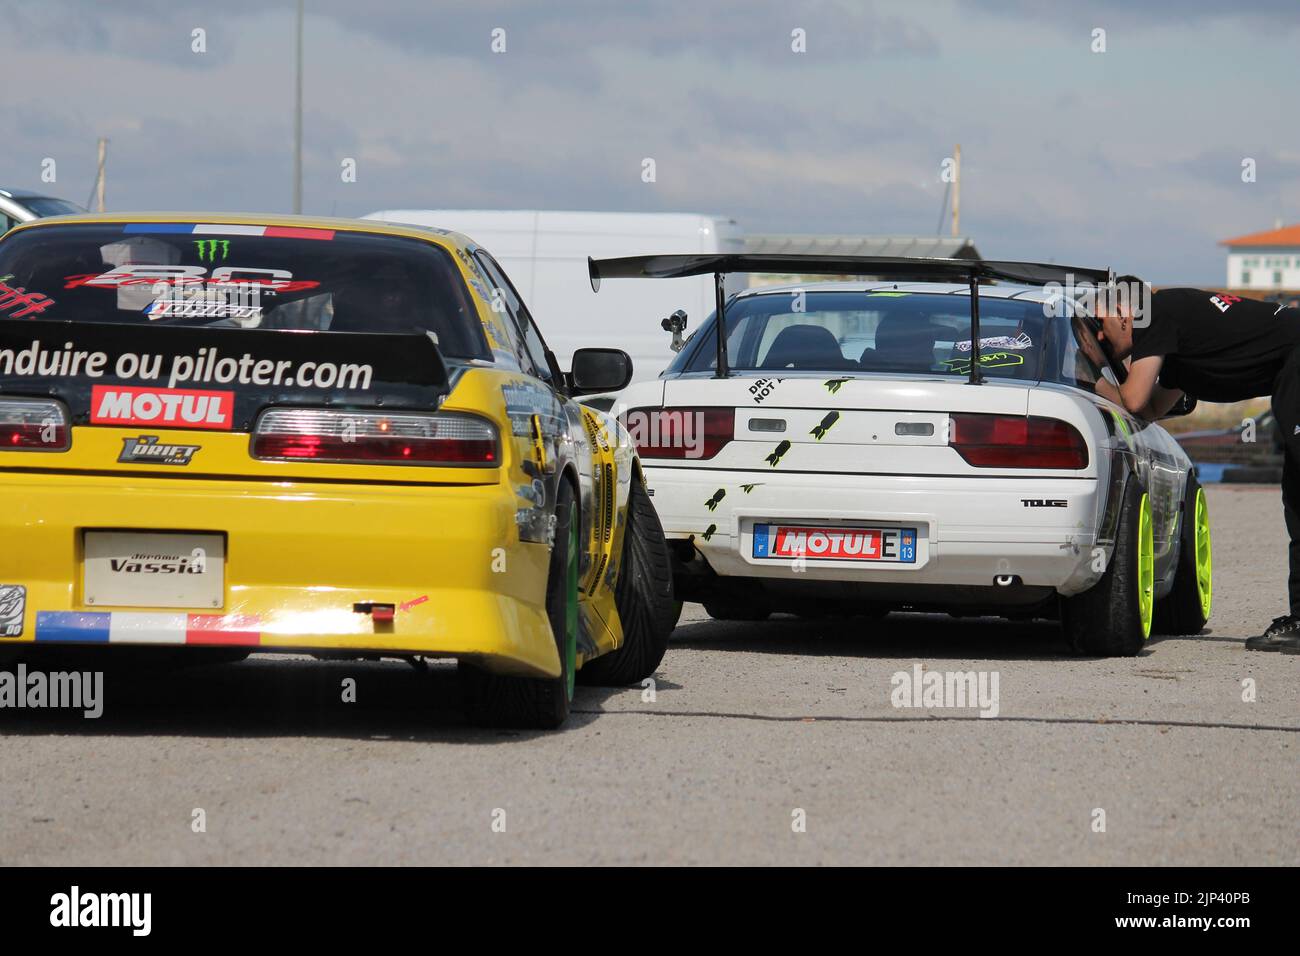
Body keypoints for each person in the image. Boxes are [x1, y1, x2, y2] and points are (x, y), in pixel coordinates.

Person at [1092, 278, 1300, 651]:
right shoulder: (1174, 332)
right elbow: (1154, 408)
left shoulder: (1154, 314)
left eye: (1101, 327)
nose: (1102, 339)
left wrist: (1090, 373)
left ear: (1124, 313)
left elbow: (1135, 400)